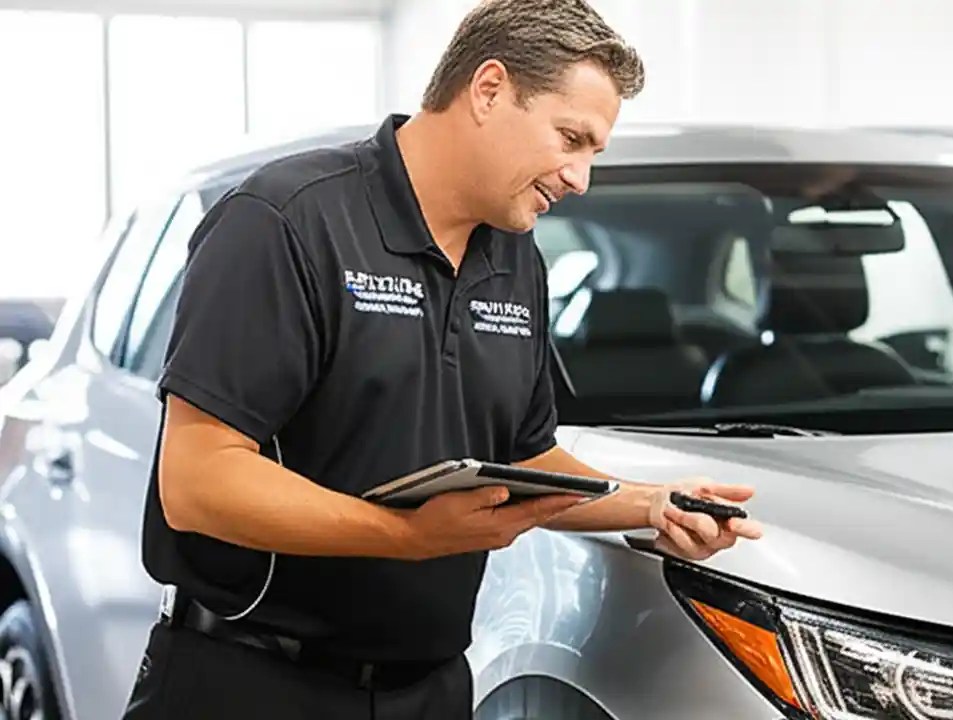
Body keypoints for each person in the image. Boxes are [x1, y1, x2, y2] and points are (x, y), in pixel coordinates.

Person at [119, 1, 763, 718]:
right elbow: (197, 479)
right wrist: (403, 537)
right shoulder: (287, 220)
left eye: (594, 152)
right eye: (571, 138)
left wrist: (650, 502)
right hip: (252, 683)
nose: (581, 178)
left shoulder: (514, 258)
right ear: (488, 90)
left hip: (428, 691)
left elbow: (526, 458)